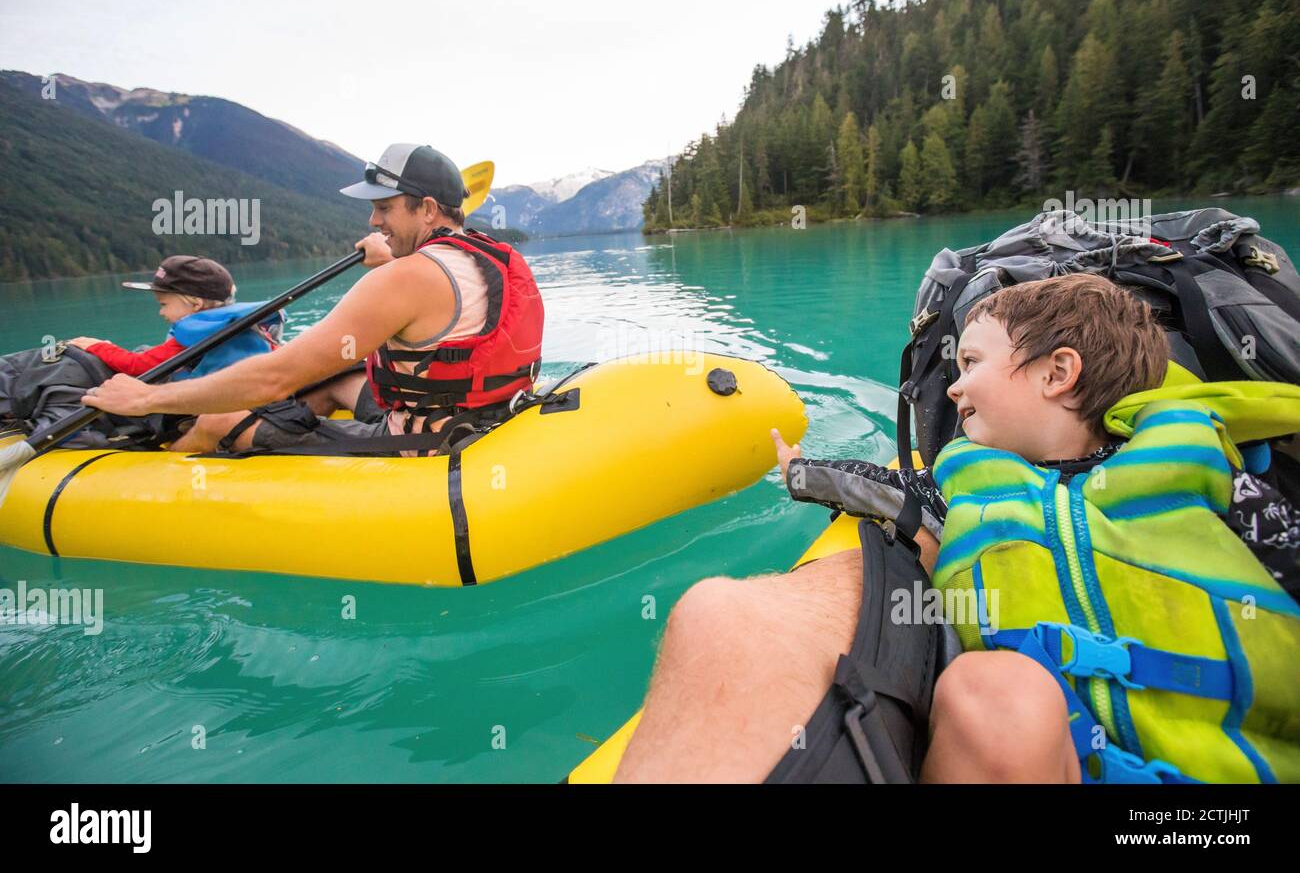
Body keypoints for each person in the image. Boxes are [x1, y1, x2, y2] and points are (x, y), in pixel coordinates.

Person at [615, 273, 1300, 783]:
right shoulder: (964, 483)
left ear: (1058, 373)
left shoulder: (1205, 470)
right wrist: (805, 473)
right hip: (1058, 758)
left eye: (971, 364)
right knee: (991, 692)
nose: (951, 386)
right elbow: (888, 491)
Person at [82, 144, 544, 458]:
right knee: (338, 376)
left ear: (426, 208)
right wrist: (391, 256)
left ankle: (163, 462)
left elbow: (274, 377)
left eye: (384, 207)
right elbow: (438, 309)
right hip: (485, 418)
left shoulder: (404, 278)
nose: (372, 218)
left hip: (427, 443)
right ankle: (294, 426)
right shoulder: (485, 255)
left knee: (218, 420)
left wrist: (147, 397)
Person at [68, 255, 282, 378]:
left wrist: (98, 346)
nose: (161, 312)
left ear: (195, 304)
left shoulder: (193, 335)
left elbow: (137, 365)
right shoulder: (243, 324)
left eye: (164, 304)